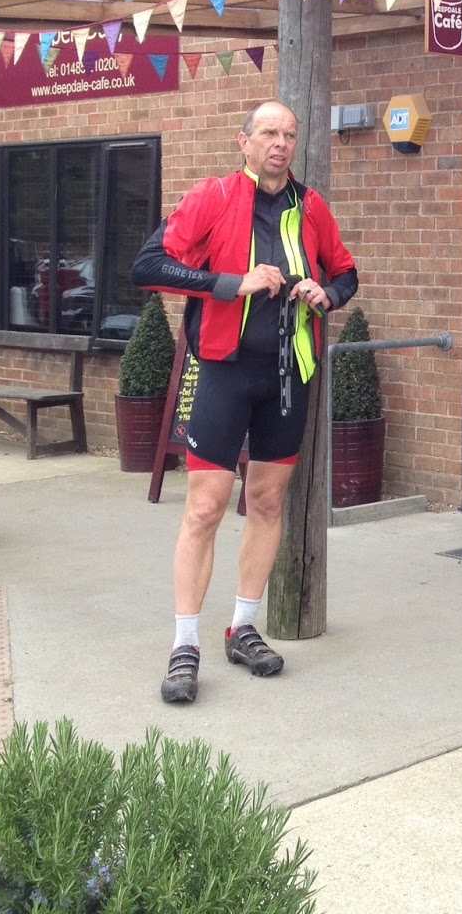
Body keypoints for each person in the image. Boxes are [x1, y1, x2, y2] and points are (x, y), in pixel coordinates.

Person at [131, 99, 358, 704]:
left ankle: (244, 627)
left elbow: (347, 274)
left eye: (288, 133)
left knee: (266, 500)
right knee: (205, 508)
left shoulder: (310, 207)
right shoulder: (214, 196)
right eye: (268, 133)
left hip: (289, 373)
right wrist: (233, 283)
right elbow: (148, 266)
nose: (279, 143)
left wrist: (325, 294)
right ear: (245, 142)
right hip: (223, 372)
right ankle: (184, 644)